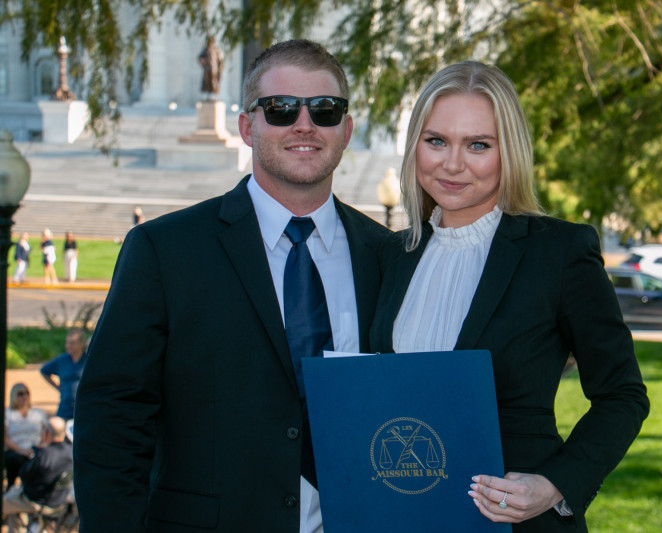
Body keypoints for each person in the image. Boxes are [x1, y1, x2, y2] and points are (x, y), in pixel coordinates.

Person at [73, 39, 390, 532]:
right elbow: (112, 420)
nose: (304, 125)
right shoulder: (164, 250)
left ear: (346, 130)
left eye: (325, 110)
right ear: (247, 127)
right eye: (281, 109)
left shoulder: (386, 255)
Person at [369, 61, 650, 532]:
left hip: (519, 522)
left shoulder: (559, 252)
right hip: (403, 515)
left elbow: (623, 396)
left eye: (478, 145)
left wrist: (555, 485)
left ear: (509, 152)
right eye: (436, 140)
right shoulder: (391, 256)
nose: (452, 163)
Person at [2, 417, 73, 533]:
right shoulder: (71, 453)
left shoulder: (43, 455)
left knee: (6, 502)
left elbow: (24, 476)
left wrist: (37, 452)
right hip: (60, 502)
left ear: (47, 433)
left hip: (37, 502)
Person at [4, 383, 48, 491]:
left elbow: (46, 436)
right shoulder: (7, 414)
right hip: (15, 450)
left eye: (27, 393)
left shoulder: (38, 414)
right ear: (14, 395)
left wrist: (41, 448)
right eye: (20, 394)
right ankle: (11, 487)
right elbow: (5, 438)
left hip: (35, 450)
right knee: (16, 459)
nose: (24, 396)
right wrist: (21, 450)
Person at [40, 329, 87, 420]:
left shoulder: (88, 361)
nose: (68, 346)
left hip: (84, 409)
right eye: (67, 343)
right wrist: (58, 387)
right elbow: (44, 371)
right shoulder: (62, 360)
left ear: (81, 344)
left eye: (72, 343)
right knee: (55, 425)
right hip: (65, 408)